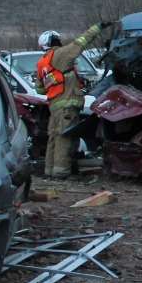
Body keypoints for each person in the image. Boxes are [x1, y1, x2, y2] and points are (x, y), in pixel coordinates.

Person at [35, 22, 114, 179]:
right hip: (67, 105)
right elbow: (82, 41)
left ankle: (50, 171)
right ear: (54, 41)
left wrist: (63, 79)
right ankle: (61, 173)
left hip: (54, 107)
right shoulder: (61, 54)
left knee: (53, 138)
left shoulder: (42, 62)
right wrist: (99, 27)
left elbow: (40, 89)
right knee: (65, 137)